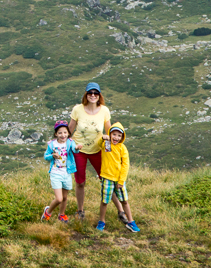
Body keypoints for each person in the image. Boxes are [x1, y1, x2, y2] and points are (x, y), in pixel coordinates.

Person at [67, 82, 111, 222]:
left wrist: (110, 148)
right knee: (80, 182)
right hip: (79, 150)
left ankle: (120, 210)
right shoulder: (77, 109)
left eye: (95, 93)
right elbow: (70, 130)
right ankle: (80, 210)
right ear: (86, 94)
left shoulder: (104, 110)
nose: (93, 95)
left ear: (99, 95)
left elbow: (109, 132)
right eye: (90, 93)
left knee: (105, 179)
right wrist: (63, 146)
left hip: (97, 150)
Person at [97, 123, 139, 232]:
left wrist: (121, 180)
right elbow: (98, 144)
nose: (116, 137)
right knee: (104, 201)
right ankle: (101, 221)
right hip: (107, 178)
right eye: (114, 134)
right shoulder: (106, 144)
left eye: (119, 135)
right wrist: (102, 138)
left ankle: (131, 222)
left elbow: (125, 165)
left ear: (122, 137)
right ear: (110, 134)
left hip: (119, 179)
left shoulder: (122, 148)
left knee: (124, 200)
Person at [42, 120, 77, 222]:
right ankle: (48, 212)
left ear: (68, 133)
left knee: (65, 197)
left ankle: (61, 214)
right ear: (56, 134)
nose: (63, 135)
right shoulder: (52, 144)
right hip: (56, 172)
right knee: (59, 199)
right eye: (60, 133)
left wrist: (77, 148)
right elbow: (46, 156)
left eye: (65, 132)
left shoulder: (70, 142)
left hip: (67, 172)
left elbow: (74, 150)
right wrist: (52, 155)